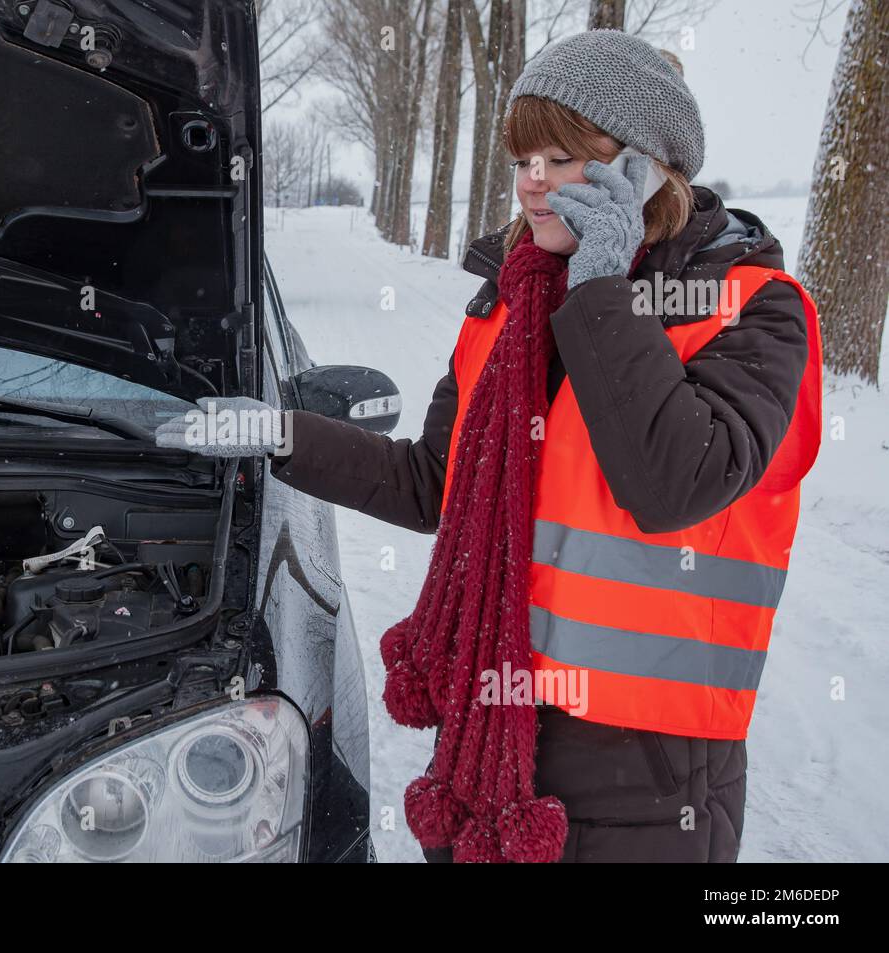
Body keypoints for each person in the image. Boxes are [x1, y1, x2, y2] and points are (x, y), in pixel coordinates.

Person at [156, 29, 822, 862]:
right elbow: (435, 482)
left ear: (643, 171)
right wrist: (281, 436)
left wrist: (603, 291)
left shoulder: (751, 306)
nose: (531, 181)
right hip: (489, 733)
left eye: (561, 156)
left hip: (652, 775)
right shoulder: (506, 307)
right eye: (522, 158)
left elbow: (674, 482)